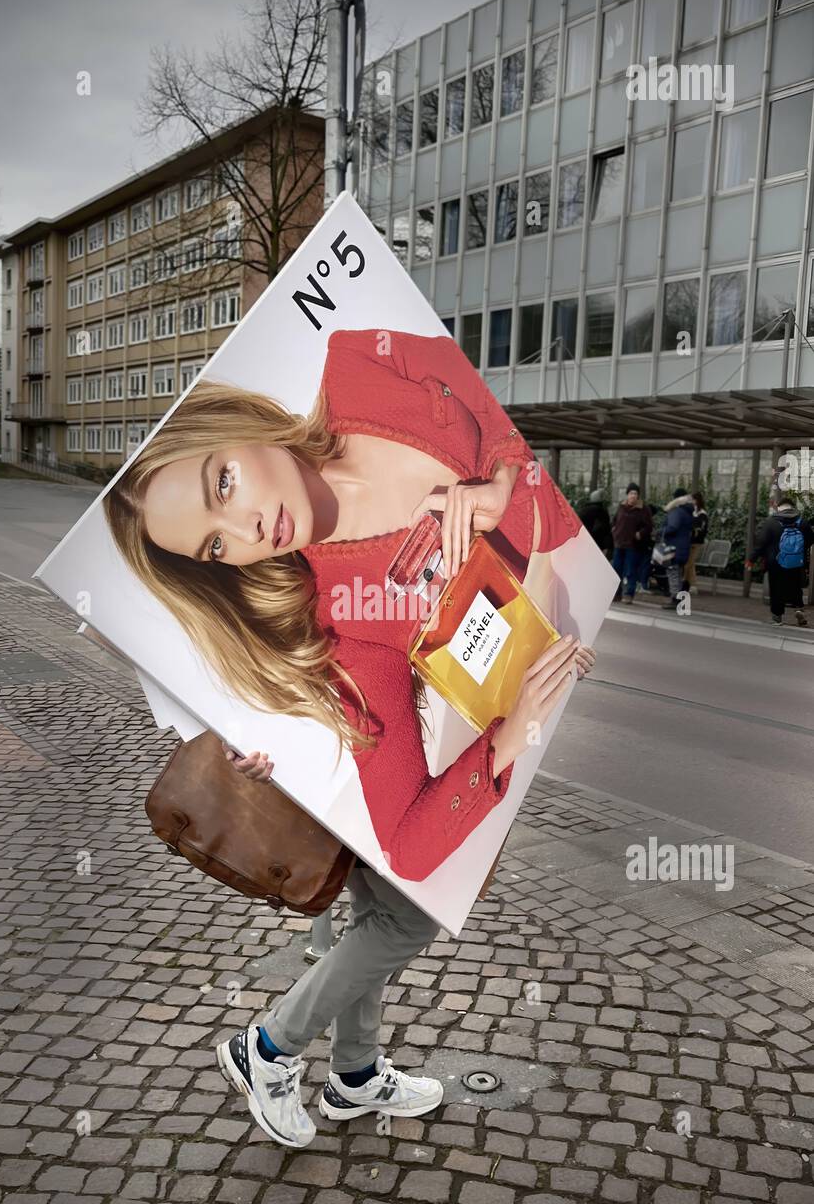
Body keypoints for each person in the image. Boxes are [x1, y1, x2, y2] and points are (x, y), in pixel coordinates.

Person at [105, 327, 598, 1148]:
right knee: (392, 911)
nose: (249, 525)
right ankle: (271, 1046)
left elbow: (544, 497)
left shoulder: (363, 360)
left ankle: (357, 1075)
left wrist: (502, 487)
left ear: (242, 426)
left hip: (529, 603)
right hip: (332, 773)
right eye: (215, 545)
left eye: (222, 482)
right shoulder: (341, 624)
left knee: (371, 913)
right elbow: (405, 840)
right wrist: (505, 741)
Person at [747, 500, 813, 626]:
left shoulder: (771, 522)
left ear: (779, 508)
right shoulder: (802, 522)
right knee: (795, 586)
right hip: (796, 561)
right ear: (792, 507)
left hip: (775, 562)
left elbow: (762, 542)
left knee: (776, 589)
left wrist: (752, 559)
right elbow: (810, 540)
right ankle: (799, 609)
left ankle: (777, 617)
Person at [611, 482, 653, 603]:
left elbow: (649, 526)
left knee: (630, 571)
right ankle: (616, 594)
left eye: (635, 493)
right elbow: (614, 520)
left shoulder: (643, 509)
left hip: (632, 545)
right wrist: (614, 530)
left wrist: (640, 533)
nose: (633, 496)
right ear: (627, 495)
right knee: (616, 570)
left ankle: (629, 594)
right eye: (631, 493)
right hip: (619, 543)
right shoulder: (621, 506)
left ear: (638, 496)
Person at [659, 488, 694, 610]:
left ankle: (675, 599)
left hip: (673, 547)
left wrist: (661, 531)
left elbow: (672, 527)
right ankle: (680, 598)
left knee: (672, 573)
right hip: (683, 547)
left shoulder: (676, 512)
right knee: (678, 573)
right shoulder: (688, 512)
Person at [682, 492, 708, 593]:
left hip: (696, 542)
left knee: (690, 563)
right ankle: (688, 584)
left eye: (693, 500)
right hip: (688, 541)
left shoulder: (702, 514)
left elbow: (701, 529)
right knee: (689, 563)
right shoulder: (691, 512)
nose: (691, 502)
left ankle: (692, 585)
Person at [578, 488, 612, 556]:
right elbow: (606, 530)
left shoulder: (583, 511)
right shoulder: (602, 512)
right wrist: (607, 546)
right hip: (598, 544)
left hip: (584, 542)